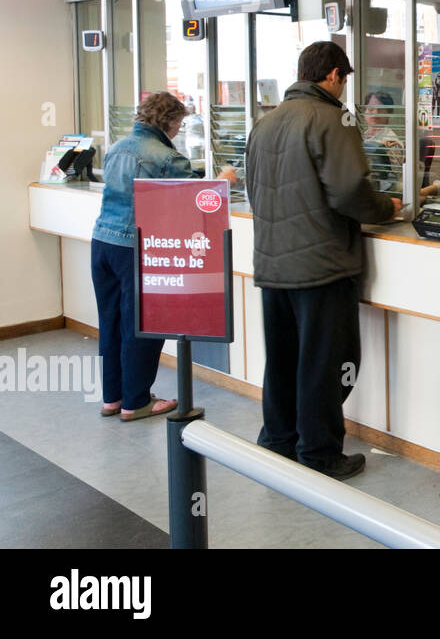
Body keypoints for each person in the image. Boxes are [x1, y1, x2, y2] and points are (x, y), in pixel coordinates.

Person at [244, 41, 401, 480]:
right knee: (324, 363)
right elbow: (351, 191)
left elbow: (255, 192)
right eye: (344, 78)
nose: (344, 87)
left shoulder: (265, 122)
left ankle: (277, 441)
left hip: (272, 265)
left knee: (283, 359)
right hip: (321, 266)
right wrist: (387, 209)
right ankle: (320, 453)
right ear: (333, 75)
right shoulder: (334, 119)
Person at [90, 92, 237, 421]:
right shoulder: (166, 156)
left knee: (110, 324)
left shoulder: (117, 147)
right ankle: (136, 401)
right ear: (171, 122)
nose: (179, 129)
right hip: (135, 250)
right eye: (180, 123)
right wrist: (223, 182)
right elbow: (196, 200)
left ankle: (113, 398)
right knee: (142, 323)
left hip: (102, 243)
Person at [362, 91, 404, 192]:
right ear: (364, 112)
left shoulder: (392, 142)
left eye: (380, 110)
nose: (375, 114)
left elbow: (394, 177)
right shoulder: (362, 137)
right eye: (371, 109)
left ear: (389, 114)